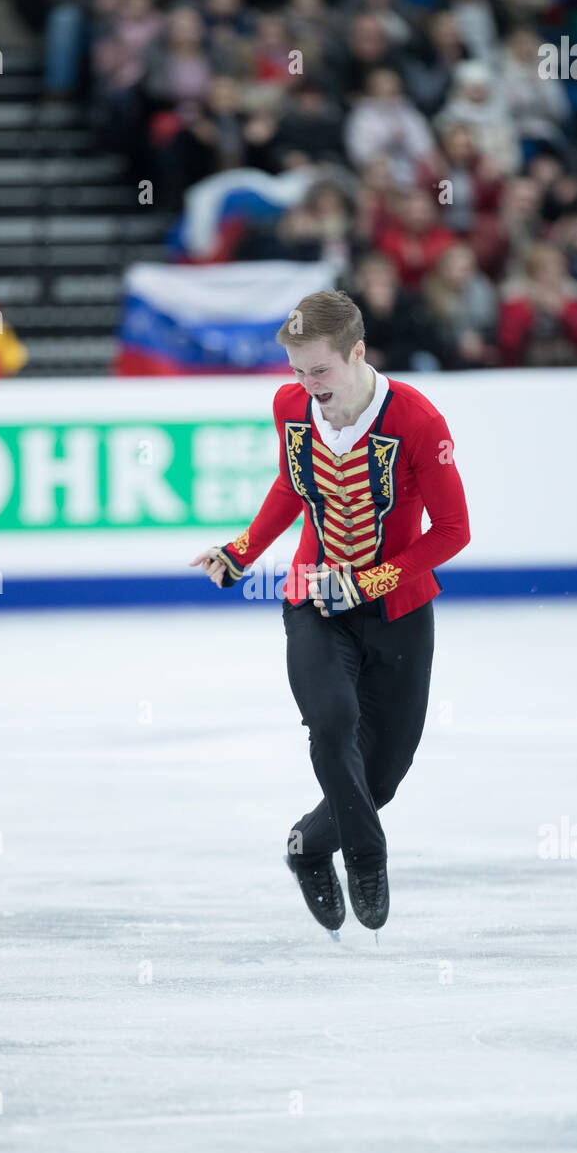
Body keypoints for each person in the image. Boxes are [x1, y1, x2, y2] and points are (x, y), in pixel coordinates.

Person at [190, 290, 470, 933]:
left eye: (320, 370)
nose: (308, 385)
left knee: (383, 778)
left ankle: (310, 847)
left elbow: (453, 530)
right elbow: (292, 485)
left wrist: (371, 582)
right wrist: (241, 551)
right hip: (313, 596)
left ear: (358, 352)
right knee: (332, 722)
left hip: (398, 607)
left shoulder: (419, 421)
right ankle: (366, 859)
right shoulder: (290, 407)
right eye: (296, 371)